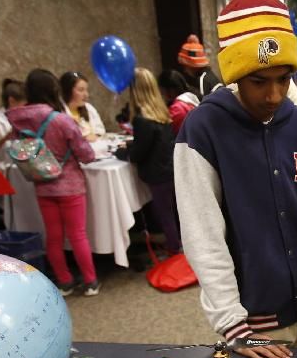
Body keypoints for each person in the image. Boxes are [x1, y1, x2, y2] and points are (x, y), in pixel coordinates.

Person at [174, 0, 297, 358]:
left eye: (284, 78)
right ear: (234, 73)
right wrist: (233, 325)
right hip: (255, 318)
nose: (274, 94)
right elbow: (202, 235)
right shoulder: (203, 129)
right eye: (259, 81)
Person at [7, 69, 99, 296]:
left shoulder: (17, 121)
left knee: (53, 236)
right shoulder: (61, 120)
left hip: (42, 184)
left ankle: (64, 281)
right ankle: (90, 281)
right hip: (70, 185)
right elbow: (86, 154)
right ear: (54, 91)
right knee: (77, 234)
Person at [117, 68, 181, 254]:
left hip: (157, 173)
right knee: (173, 211)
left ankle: (173, 249)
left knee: (164, 213)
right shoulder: (162, 112)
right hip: (169, 168)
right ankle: (177, 244)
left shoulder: (142, 119)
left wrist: (123, 152)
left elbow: (139, 153)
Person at [59, 71, 106, 141]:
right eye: (81, 90)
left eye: (86, 90)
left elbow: (100, 131)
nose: (86, 95)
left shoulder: (89, 108)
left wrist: (95, 136)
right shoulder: (58, 112)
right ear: (67, 90)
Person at [177, 34, 223, 103]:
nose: (185, 70)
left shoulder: (203, 80)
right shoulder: (208, 74)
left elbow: (203, 105)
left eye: (185, 66)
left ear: (192, 66)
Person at [157, 69, 197, 136]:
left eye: (161, 90)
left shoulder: (177, 108)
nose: (161, 94)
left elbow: (166, 133)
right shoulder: (190, 100)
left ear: (170, 90)